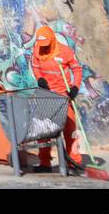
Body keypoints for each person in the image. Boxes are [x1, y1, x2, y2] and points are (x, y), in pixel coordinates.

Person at [30, 24, 84, 171]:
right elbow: (35, 67)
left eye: (46, 44)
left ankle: (74, 161)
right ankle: (45, 162)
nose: (43, 47)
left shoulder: (65, 51)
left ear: (52, 40)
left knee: (70, 128)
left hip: (63, 95)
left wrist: (75, 87)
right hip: (46, 95)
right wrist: (40, 78)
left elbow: (77, 69)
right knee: (44, 130)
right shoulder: (37, 49)